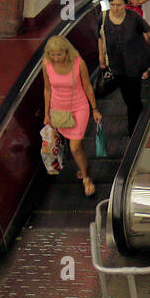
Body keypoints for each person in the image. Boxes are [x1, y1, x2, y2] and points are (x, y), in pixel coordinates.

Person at [99, 0, 150, 135]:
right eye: (113, 4)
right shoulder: (103, 17)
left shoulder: (133, 17)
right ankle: (139, 110)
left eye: (119, 5)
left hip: (134, 63)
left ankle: (133, 130)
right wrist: (101, 56)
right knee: (128, 97)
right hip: (117, 66)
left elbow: (149, 31)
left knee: (132, 97)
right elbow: (100, 36)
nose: (115, 8)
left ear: (125, 4)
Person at [42, 35, 100, 197]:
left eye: (59, 54)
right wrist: (47, 113)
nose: (56, 58)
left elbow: (87, 86)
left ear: (67, 52)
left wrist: (94, 108)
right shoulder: (46, 64)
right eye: (52, 55)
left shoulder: (78, 63)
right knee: (76, 147)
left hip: (79, 107)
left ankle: (86, 178)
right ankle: (84, 167)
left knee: (74, 146)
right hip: (59, 110)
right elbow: (47, 89)